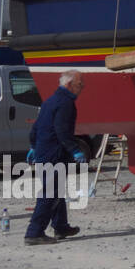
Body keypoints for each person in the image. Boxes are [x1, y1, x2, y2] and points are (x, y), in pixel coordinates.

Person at [24, 70, 87, 246]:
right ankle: (34, 232)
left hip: (44, 152)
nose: (82, 88)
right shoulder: (65, 103)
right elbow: (62, 131)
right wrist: (75, 150)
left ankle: (61, 226)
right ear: (69, 85)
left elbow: (36, 127)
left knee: (55, 191)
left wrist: (33, 146)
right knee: (50, 193)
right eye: (80, 84)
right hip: (54, 153)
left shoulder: (50, 101)